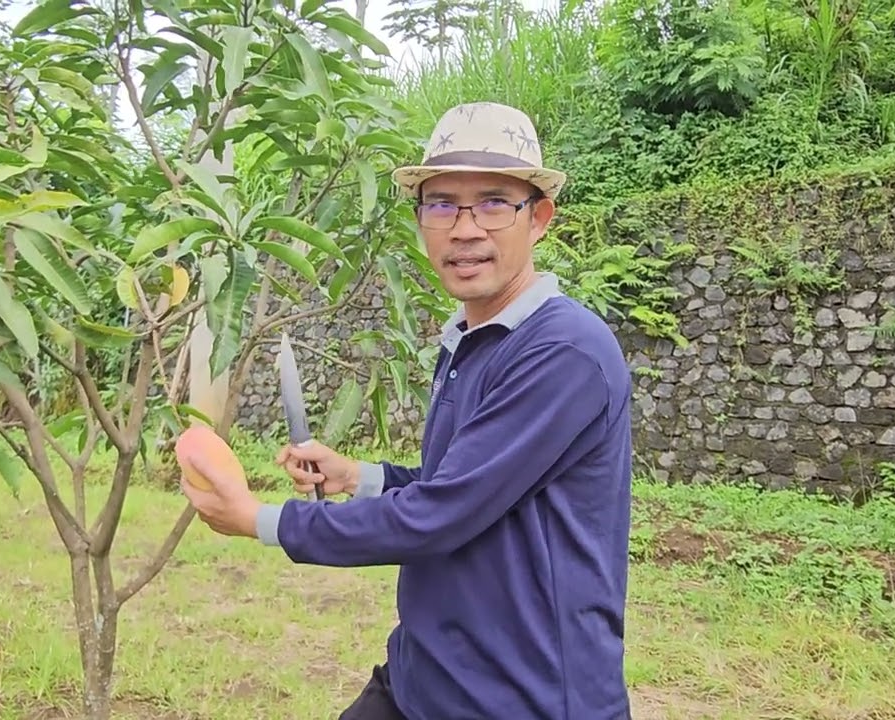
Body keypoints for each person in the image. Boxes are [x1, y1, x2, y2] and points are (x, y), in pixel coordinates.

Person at [179, 101, 635, 720]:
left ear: (540, 218)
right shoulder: (473, 340)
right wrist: (358, 477)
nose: (465, 228)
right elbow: (461, 484)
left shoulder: (562, 352)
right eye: (442, 203)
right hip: (428, 674)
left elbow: (440, 515)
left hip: (524, 696)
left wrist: (259, 518)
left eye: (495, 202)